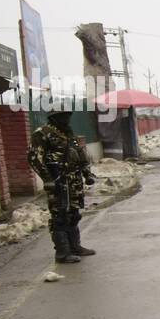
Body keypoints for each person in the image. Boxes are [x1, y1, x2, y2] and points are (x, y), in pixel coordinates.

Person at [28, 110, 96, 263]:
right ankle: (62, 253)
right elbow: (34, 157)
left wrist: (87, 174)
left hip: (74, 181)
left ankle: (75, 246)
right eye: (63, 115)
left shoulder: (68, 134)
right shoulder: (42, 133)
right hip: (59, 181)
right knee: (60, 216)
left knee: (74, 213)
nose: (67, 118)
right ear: (54, 117)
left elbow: (80, 155)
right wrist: (47, 179)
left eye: (68, 115)